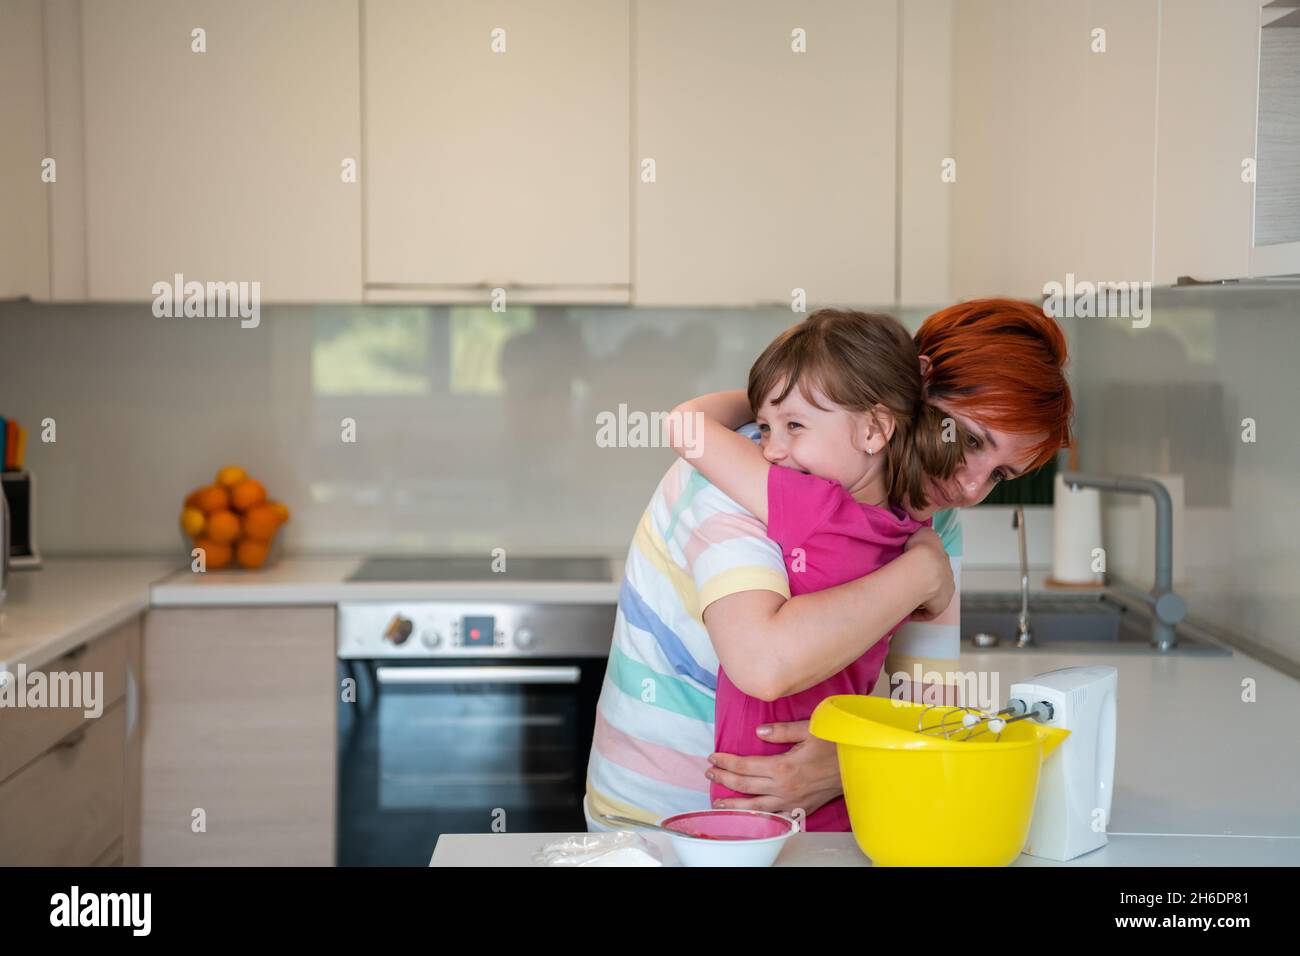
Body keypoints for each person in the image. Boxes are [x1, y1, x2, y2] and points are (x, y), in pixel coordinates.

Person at [584, 298, 1073, 828]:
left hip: (803, 823)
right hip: (657, 818)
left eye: (1000, 474)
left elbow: (926, 708)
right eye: (971, 439)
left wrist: (845, 761)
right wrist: (920, 574)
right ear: (914, 388)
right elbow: (764, 664)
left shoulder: (932, 510)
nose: (972, 486)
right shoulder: (741, 473)